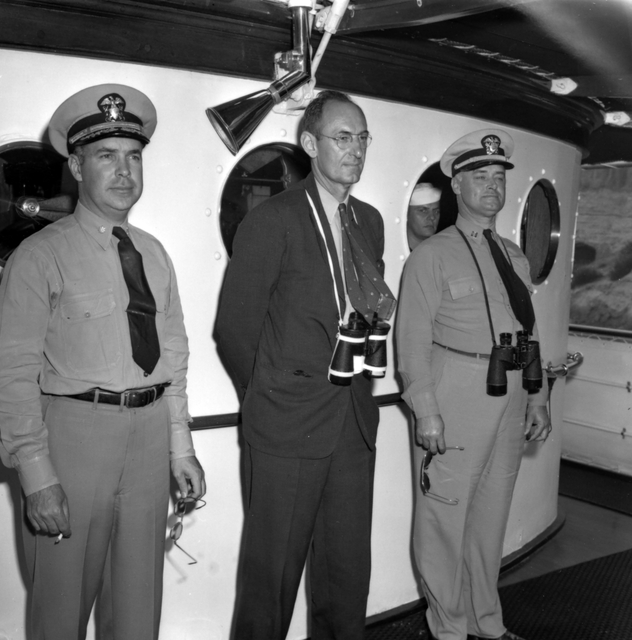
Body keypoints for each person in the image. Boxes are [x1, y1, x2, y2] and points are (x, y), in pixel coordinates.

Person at [0, 84, 205, 640]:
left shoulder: (153, 253)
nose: (124, 171)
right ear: (78, 167)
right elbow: (11, 375)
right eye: (106, 156)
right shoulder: (39, 257)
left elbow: (173, 362)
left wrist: (182, 447)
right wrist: (37, 477)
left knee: (137, 615)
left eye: (133, 157)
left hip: (151, 440)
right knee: (60, 614)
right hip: (74, 440)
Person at [215, 90, 395, 640]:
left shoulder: (368, 220)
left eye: (363, 138)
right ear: (311, 143)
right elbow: (235, 331)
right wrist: (276, 395)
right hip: (287, 426)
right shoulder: (274, 219)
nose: (356, 150)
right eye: (344, 137)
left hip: (353, 419)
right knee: (270, 584)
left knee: (346, 580)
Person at [396, 129, 550, 640]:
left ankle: (487, 622)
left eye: (498, 177)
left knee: (490, 518)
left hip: (508, 391)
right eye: (479, 177)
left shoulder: (514, 256)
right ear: (457, 186)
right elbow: (411, 342)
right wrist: (426, 409)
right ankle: (447, 628)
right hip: (456, 391)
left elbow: (528, 330)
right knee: (443, 519)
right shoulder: (431, 256)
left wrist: (538, 395)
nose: (491, 187)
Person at [407, 182, 442, 250]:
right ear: (407, 214)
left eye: (436, 211)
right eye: (423, 210)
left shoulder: (442, 252)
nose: (432, 217)